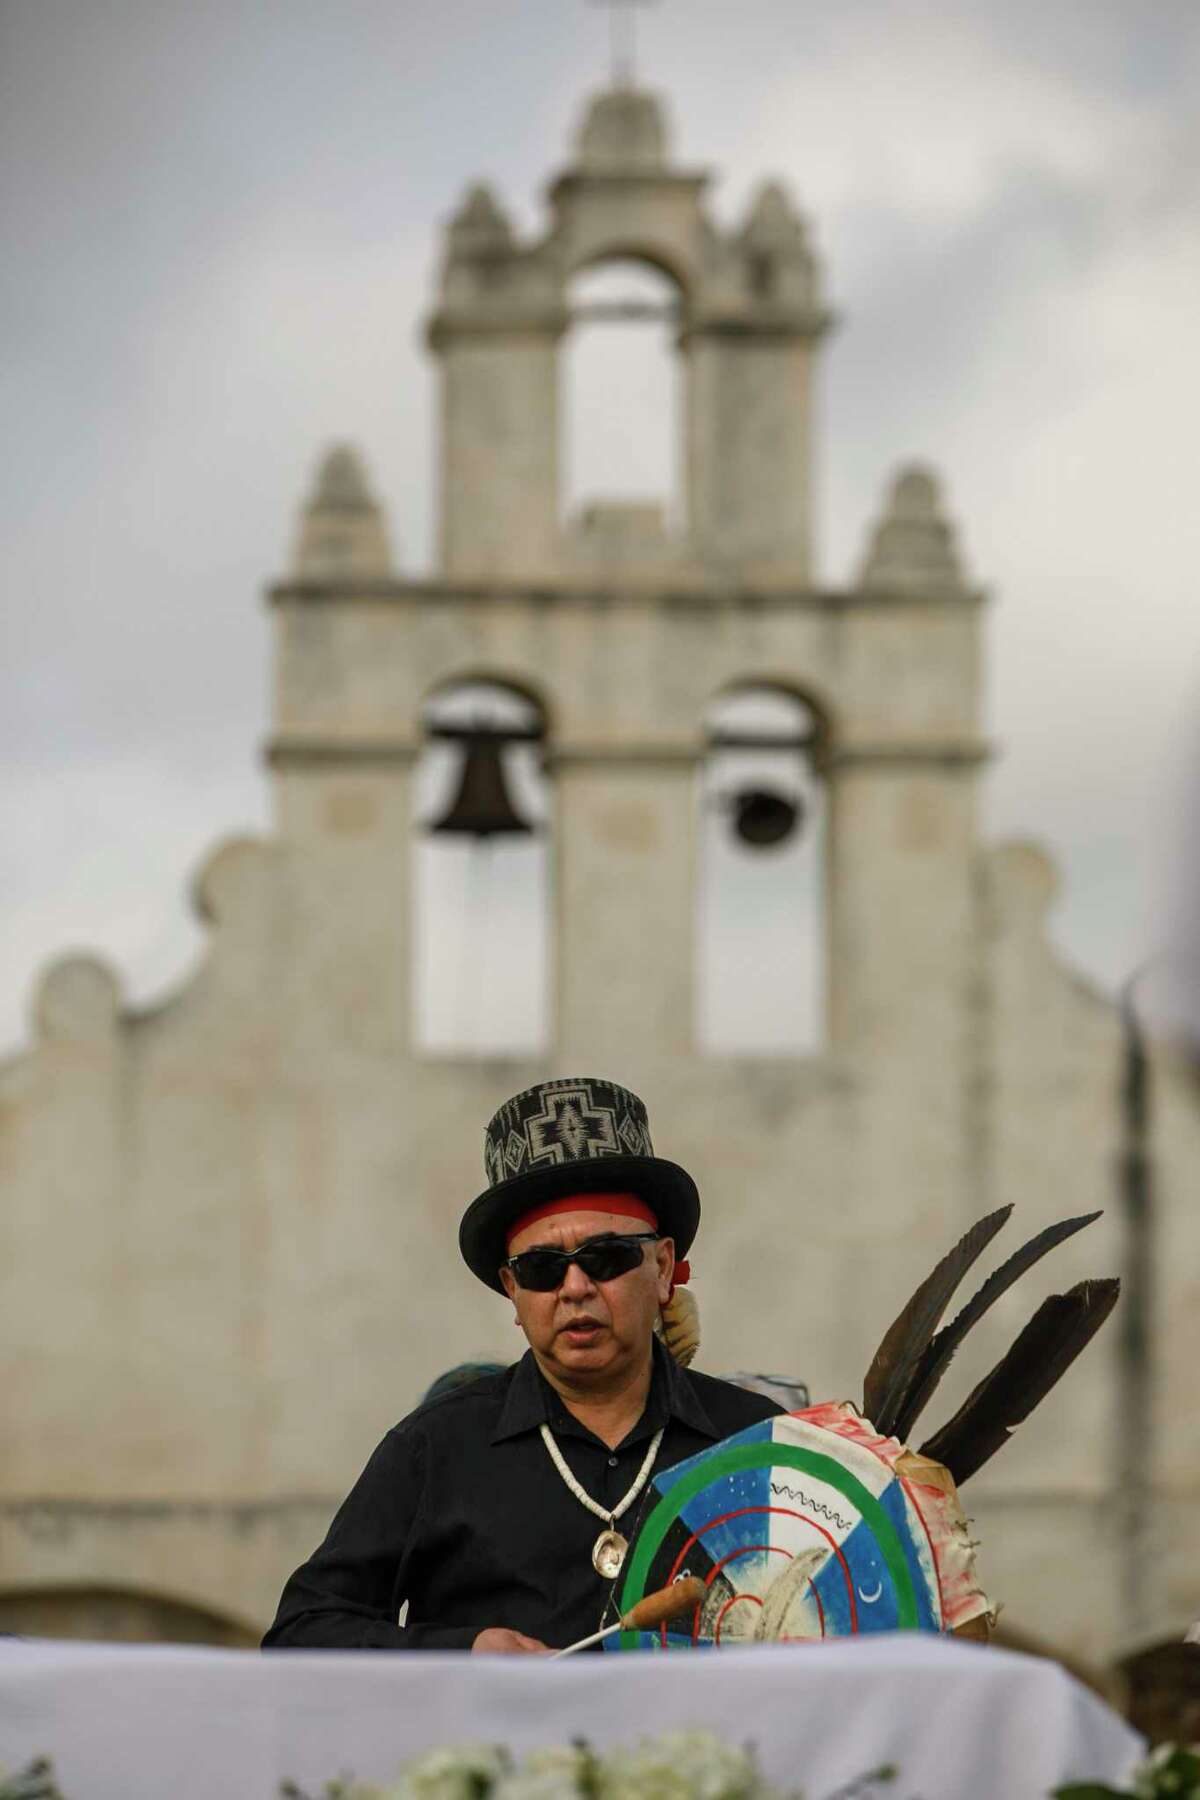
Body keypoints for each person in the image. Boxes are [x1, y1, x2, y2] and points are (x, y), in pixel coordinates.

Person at [263, 1077, 782, 1653]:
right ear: (513, 1290)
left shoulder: (756, 1437)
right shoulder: (437, 1447)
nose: (575, 1287)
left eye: (605, 1257)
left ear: (662, 1269)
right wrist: (463, 1652)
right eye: (541, 1268)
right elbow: (299, 1636)